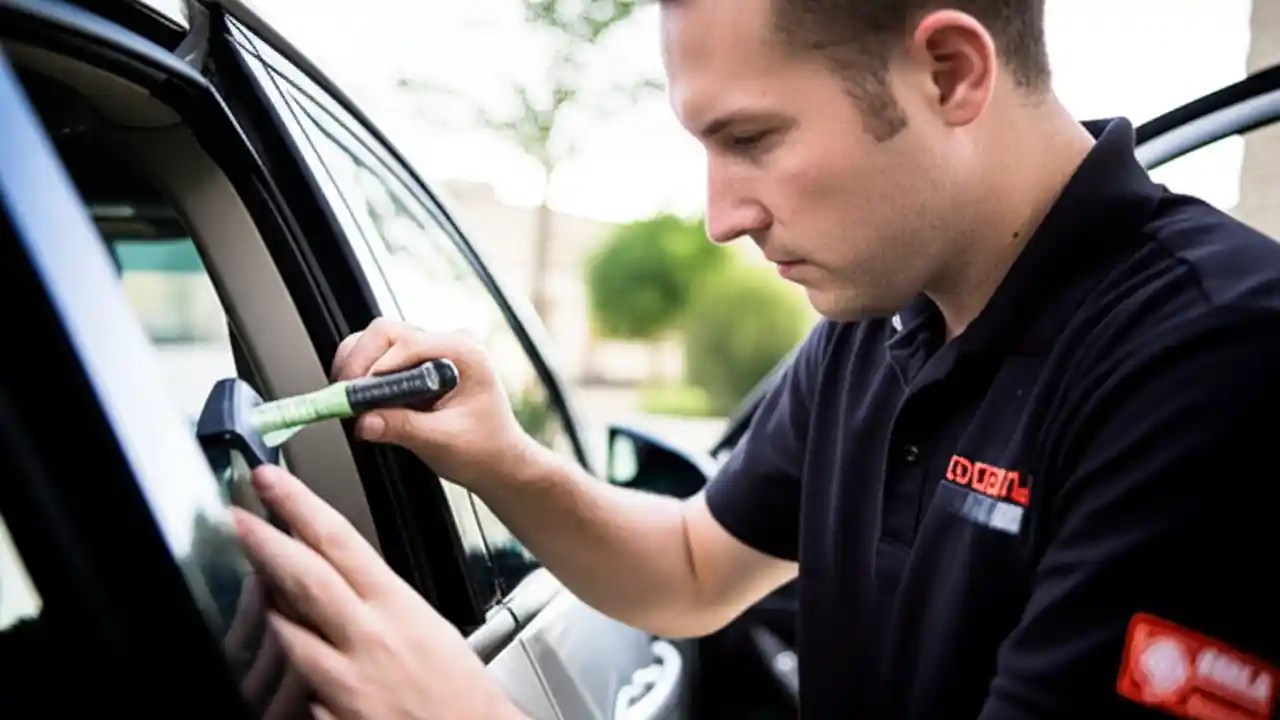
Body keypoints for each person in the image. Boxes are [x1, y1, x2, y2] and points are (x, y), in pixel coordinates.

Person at [232, 0, 1280, 717]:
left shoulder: (1214, 362)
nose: (719, 216)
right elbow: (693, 570)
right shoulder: (871, 328)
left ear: (947, 70)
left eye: (751, 139)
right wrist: (500, 457)